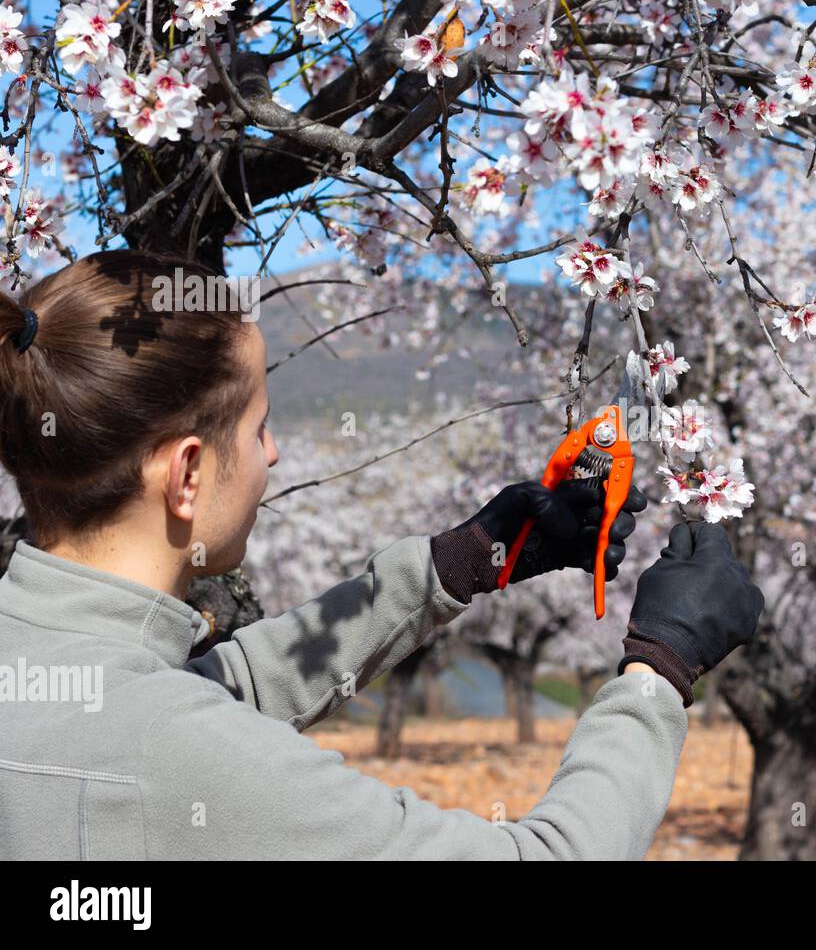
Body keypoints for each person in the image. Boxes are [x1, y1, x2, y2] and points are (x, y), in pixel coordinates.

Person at [0, 250, 764, 860]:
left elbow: (216, 692)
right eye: (259, 424)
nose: (273, 451)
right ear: (188, 474)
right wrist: (660, 667)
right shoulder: (175, 751)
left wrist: (459, 563)